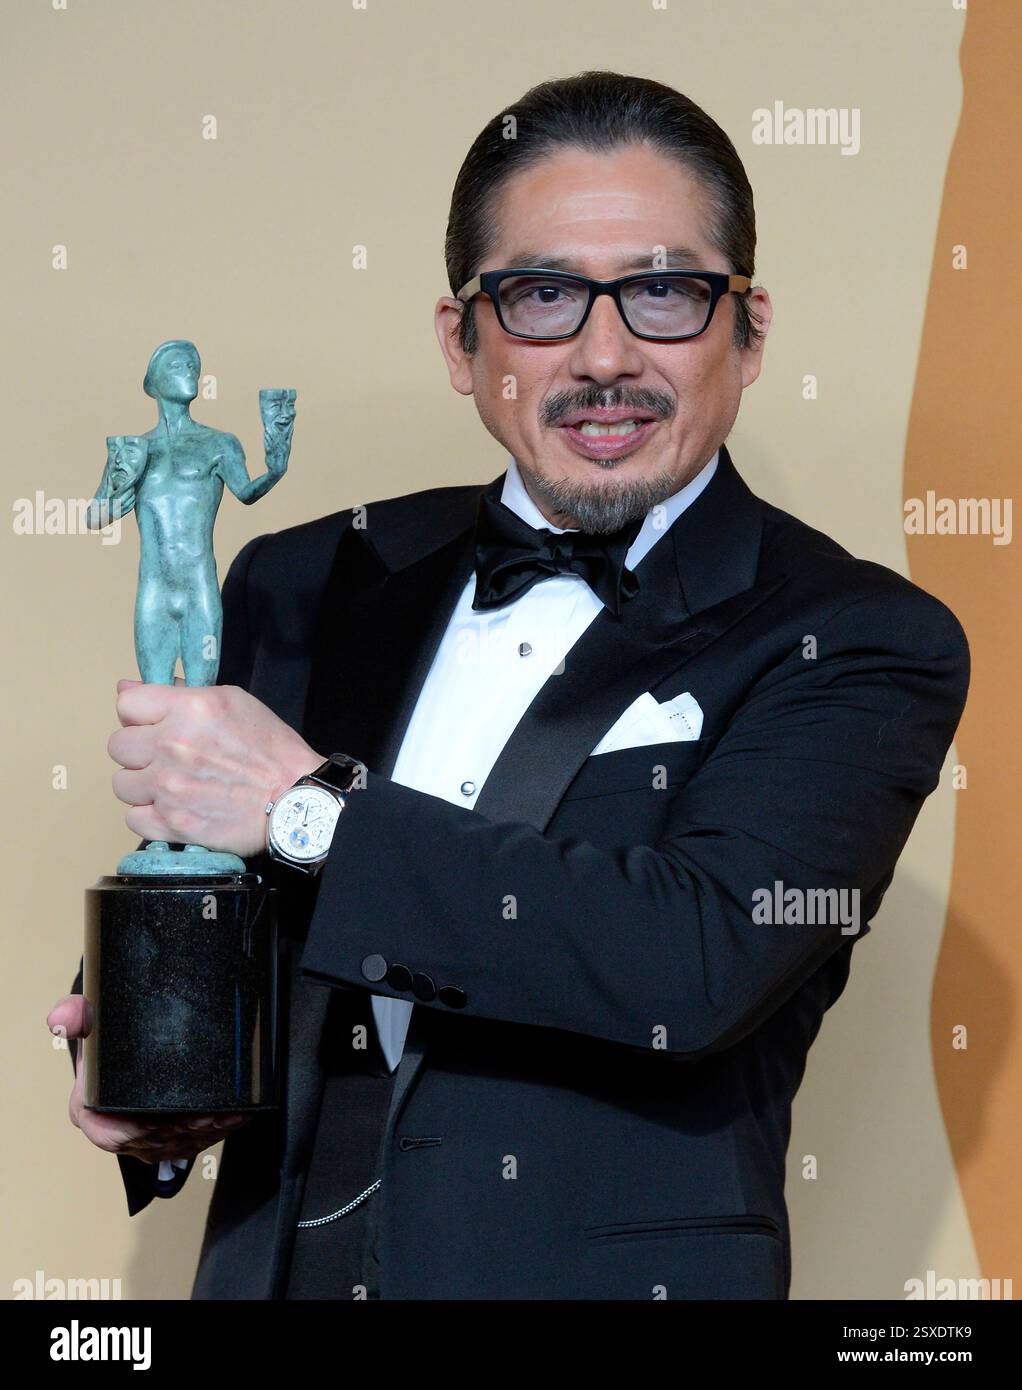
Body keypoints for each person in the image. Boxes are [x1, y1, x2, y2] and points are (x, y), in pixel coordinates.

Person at [48, 71, 969, 1300]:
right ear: (460, 340)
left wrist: (306, 808)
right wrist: (160, 1057)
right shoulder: (304, 574)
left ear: (747, 333)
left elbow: (690, 961)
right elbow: (223, 893)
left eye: (661, 292)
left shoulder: (857, 634)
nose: (602, 356)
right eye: (540, 295)